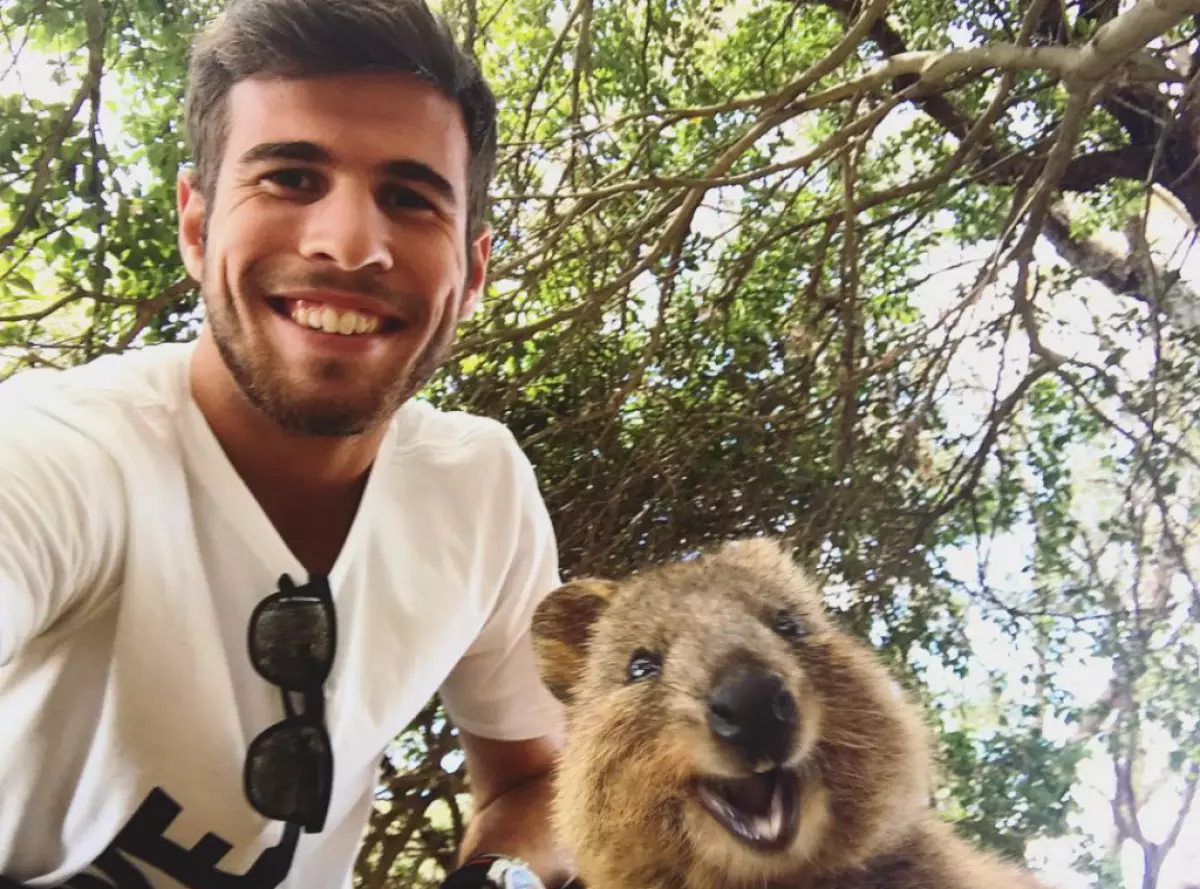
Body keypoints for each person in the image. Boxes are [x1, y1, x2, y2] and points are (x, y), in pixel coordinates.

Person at [0, 1, 576, 887]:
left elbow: (538, 776)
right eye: (290, 179)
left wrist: (499, 877)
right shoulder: (61, 453)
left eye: (410, 197)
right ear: (197, 225)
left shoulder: (480, 492)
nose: (348, 244)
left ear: (474, 271)